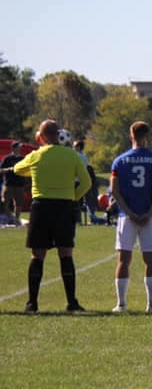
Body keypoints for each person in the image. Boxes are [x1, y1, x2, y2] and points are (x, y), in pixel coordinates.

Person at [12, 120, 92, 312]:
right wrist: (73, 198)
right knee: (65, 253)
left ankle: (32, 303)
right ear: (59, 134)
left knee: (37, 255)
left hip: (41, 207)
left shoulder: (36, 155)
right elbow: (86, 182)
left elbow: (17, 169)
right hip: (64, 207)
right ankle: (71, 302)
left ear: (41, 136)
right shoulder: (71, 155)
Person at [110, 121, 152, 313]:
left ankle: (121, 304)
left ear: (130, 135)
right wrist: (151, 211)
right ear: (147, 135)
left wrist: (129, 211)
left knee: (123, 260)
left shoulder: (120, 160)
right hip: (148, 215)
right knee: (150, 260)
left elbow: (114, 190)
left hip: (127, 216)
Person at [1, 141, 27, 226]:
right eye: (18, 147)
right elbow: (1, 170)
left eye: (20, 147)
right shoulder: (7, 159)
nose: (20, 149)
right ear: (13, 148)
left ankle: (16, 220)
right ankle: (9, 218)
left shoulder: (23, 159)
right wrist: (9, 169)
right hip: (9, 185)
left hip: (20, 185)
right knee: (5, 203)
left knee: (19, 203)